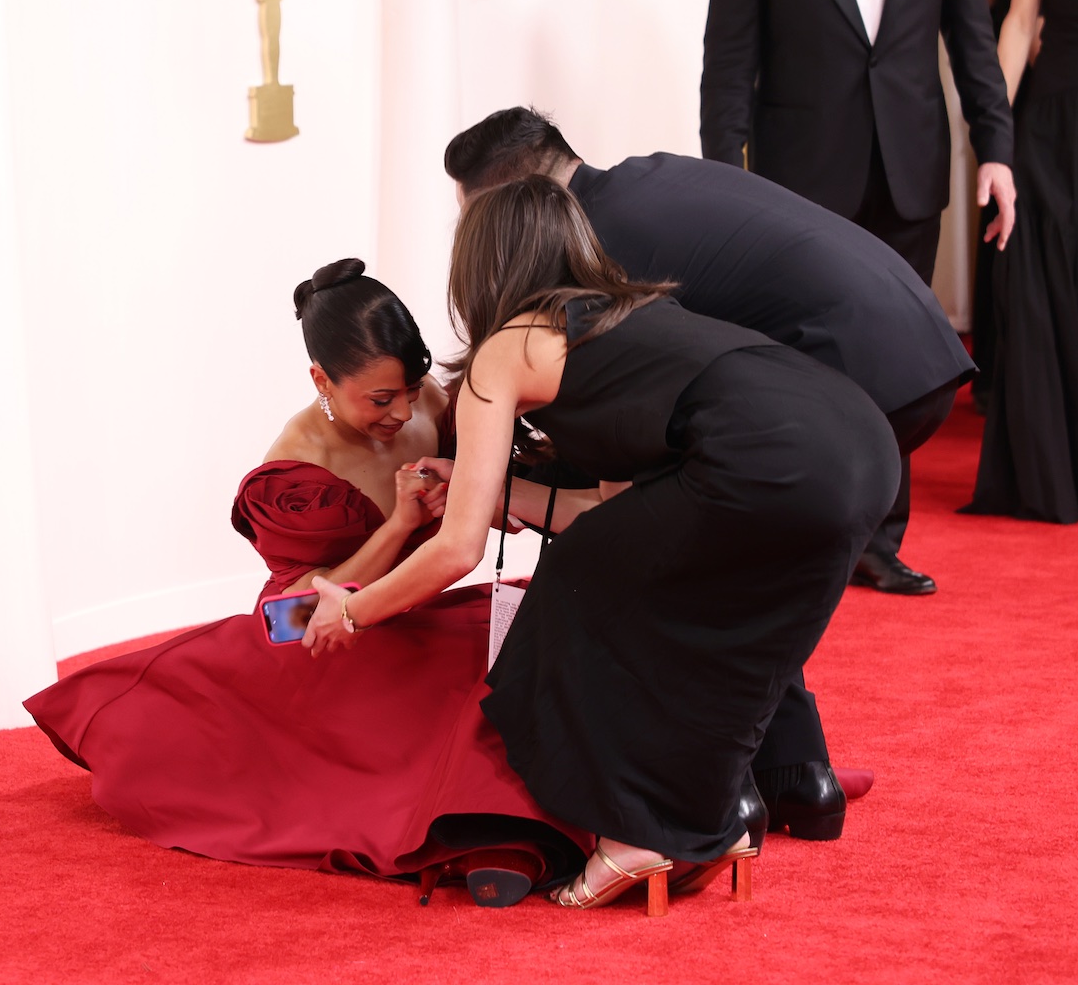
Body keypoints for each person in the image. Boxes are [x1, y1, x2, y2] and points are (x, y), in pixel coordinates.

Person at [304, 178, 898, 914]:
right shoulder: (639, 314)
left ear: (482, 266)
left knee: (574, 590)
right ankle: (718, 822)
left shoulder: (508, 347)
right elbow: (608, 511)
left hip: (765, 460)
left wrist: (355, 609)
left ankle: (632, 837)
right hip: (860, 448)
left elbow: (458, 551)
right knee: (714, 628)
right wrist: (485, 490)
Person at [443, 106, 968, 840]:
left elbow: (629, 415)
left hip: (842, 378)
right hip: (919, 349)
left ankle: (717, 787)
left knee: (699, 557)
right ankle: (794, 775)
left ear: (512, 201)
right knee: (738, 556)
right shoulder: (649, 181)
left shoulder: (596, 244)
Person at [23, 259, 594, 907]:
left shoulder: (431, 401)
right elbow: (298, 607)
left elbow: (469, 513)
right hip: (310, 633)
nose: (403, 409)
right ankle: (493, 831)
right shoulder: (291, 468)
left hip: (410, 606)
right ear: (321, 379)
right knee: (457, 665)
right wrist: (399, 525)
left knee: (530, 618)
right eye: (381, 399)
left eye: (410, 386)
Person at [700, 0, 1017, 287]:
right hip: (801, 189)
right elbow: (729, 68)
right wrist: (727, 192)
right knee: (807, 341)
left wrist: (996, 150)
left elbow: (972, 36)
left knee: (906, 337)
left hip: (912, 179)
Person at [964, 0, 1078, 522]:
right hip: (1052, 130)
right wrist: (994, 138)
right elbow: (1020, 24)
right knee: (1044, 275)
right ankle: (1059, 474)